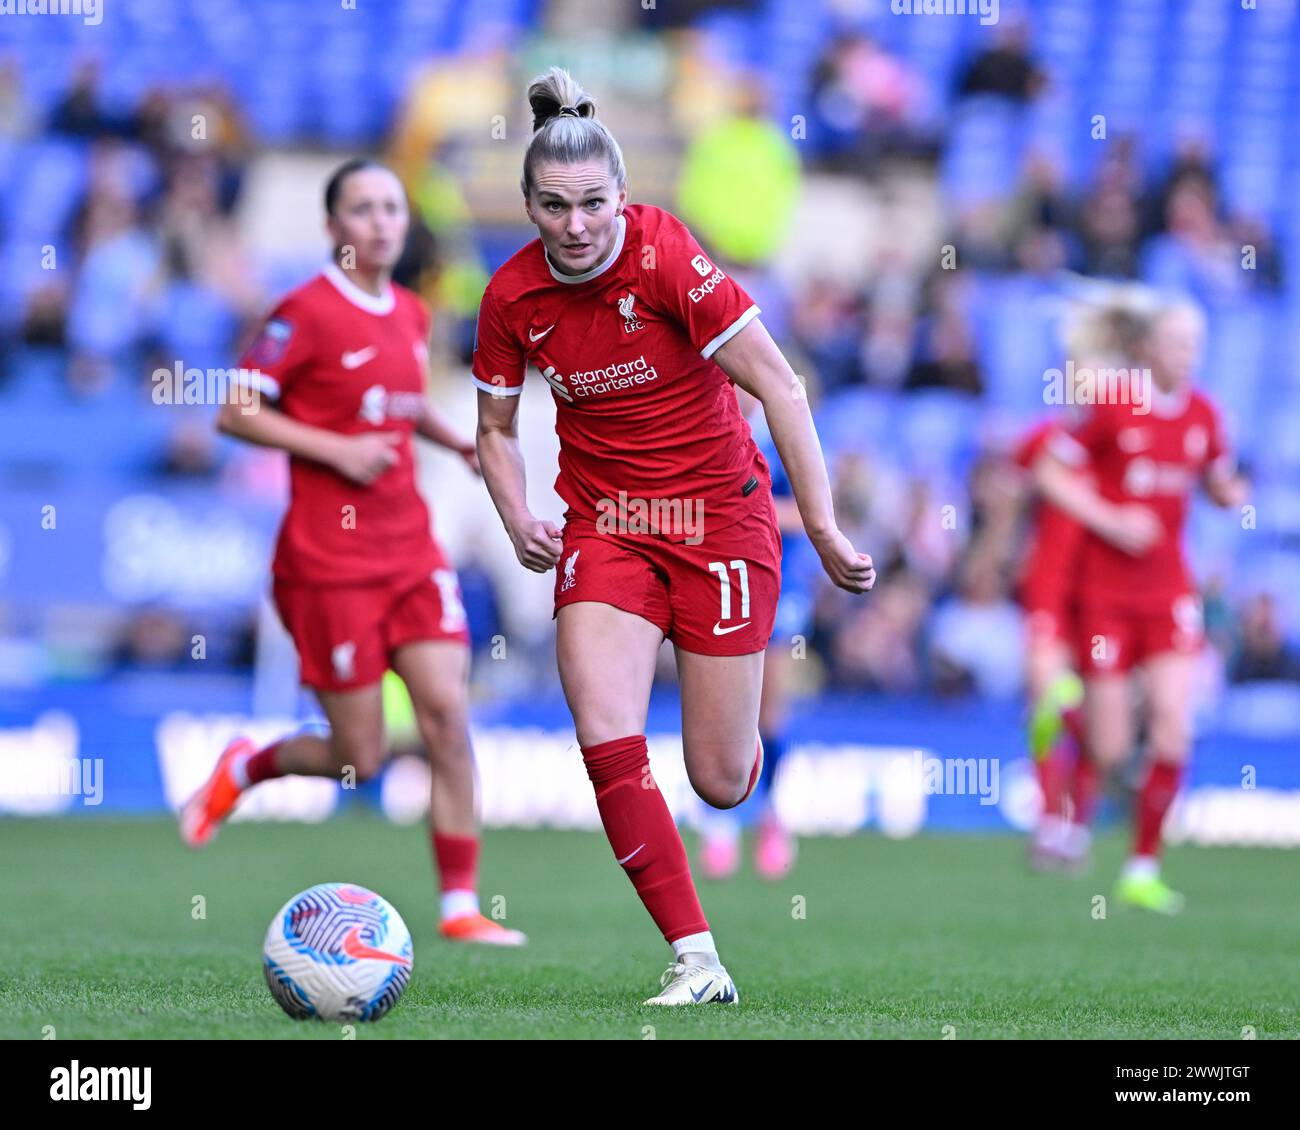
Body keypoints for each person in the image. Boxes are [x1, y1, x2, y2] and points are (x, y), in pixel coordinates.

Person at [472, 68, 874, 1004]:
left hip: (718, 521)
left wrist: (817, 523)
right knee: (605, 729)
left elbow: (780, 385)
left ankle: (750, 788)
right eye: (554, 206)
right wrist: (520, 515)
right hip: (607, 528)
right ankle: (698, 959)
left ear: (623, 196)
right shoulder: (509, 300)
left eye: (593, 204)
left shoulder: (663, 257)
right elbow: (493, 432)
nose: (576, 225)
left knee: (723, 779)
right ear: (528, 205)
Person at [181, 158, 526, 946]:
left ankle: (460, 906)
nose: (380, 223)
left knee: (446, 714)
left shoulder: (412, 312)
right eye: (363, 210)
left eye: (392, 210)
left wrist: (460, 444)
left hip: (409, 550)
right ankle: (247, 765)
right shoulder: (301, 313)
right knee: (359, 756)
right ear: (334, 227)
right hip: (328, 565)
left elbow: (398, 407)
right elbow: (235, 413)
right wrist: (334, 451)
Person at [1035, 299, 1248, 913]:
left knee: (1173, 724)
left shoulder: (1206, 416)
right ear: (1149, 347)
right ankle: (1066, 723)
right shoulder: (1112, 403)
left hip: (1168, 595)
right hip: (1105, 597)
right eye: (1178, 343)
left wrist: (1233, 493)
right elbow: (1051, 475)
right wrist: (1110, 519)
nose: (1188, 355)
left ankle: (1142, 866)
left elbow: (1216, 481)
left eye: (1196, 344)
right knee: (1108, 749)